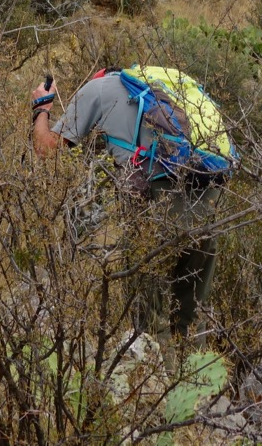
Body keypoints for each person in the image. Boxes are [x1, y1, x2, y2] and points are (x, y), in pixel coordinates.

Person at [30, 68, 223, 341]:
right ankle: (194, 366)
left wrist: (42, 107)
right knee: (191, 318)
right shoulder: (164, 86)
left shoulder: (97, 89)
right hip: (209, 196)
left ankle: (156, 369)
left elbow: (46, 148)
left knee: (150, 323)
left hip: (158, 204)